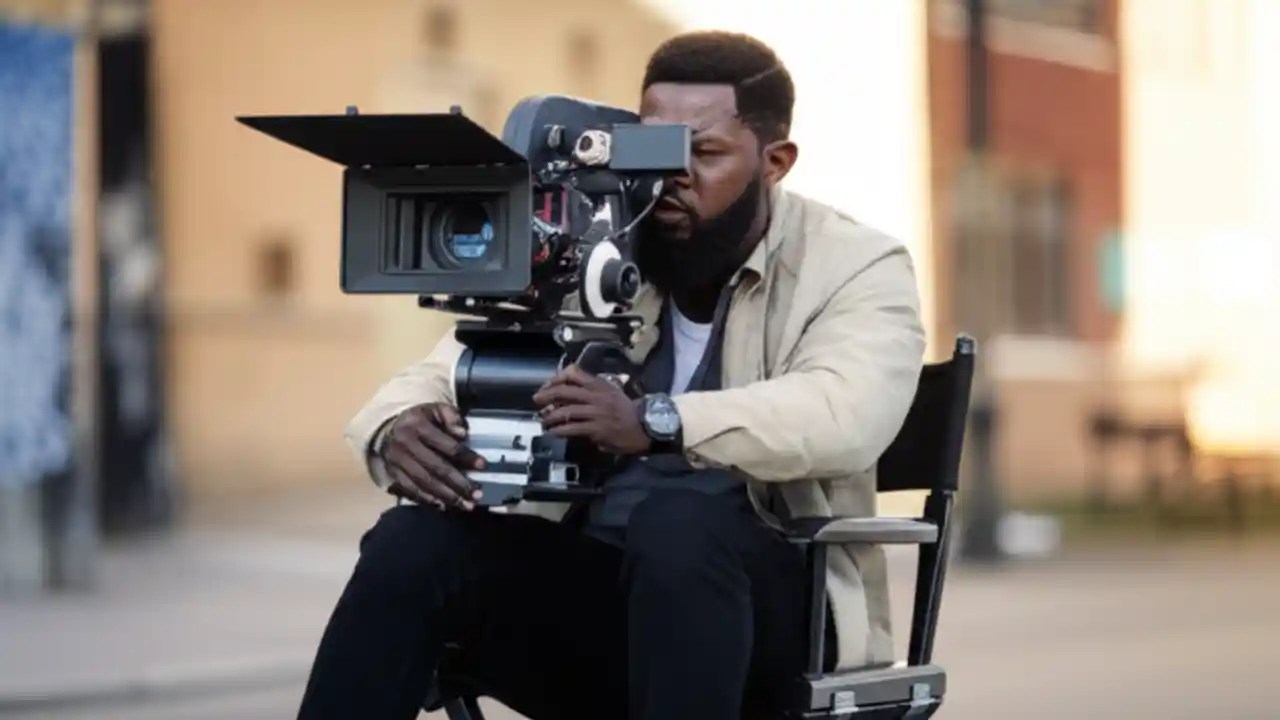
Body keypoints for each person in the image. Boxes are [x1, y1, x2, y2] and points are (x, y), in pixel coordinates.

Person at [297, 30, 926, 720]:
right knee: (411, 542)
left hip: (778, 626)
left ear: (775, 161)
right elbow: (449, 365)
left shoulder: (858, 264)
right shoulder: (603, 246)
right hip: (609, 614)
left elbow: (845, 412)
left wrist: (655, 422)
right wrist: (393, 429)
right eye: (650, 153)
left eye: (705, 154)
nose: (670, 178)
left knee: (680, 520)